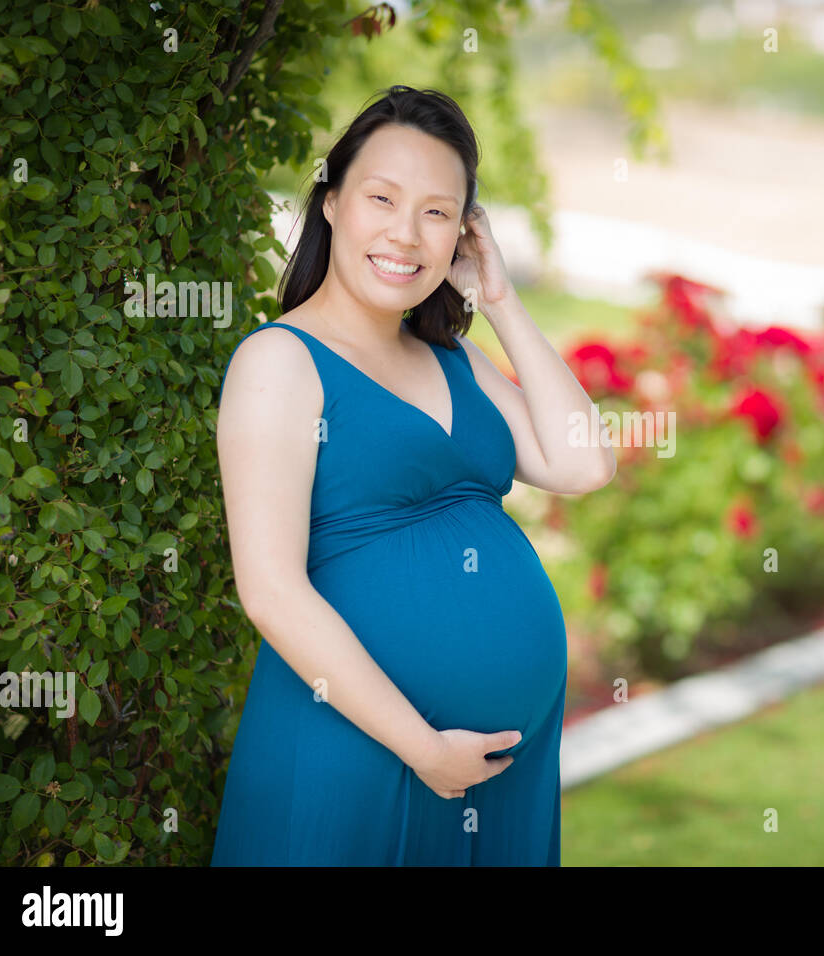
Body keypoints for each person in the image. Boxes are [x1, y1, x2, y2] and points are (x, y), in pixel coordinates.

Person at [209, 85, 616, 865]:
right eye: (382, 198)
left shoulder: (452, 357)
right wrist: (423, 748)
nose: (406, 233)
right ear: (330, 202)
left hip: (495, 774)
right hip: (362, 756)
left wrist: (497, 298)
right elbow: (271, 590)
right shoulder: (280, 363)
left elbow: (583, 461)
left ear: (465, 231)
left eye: (436, 211)